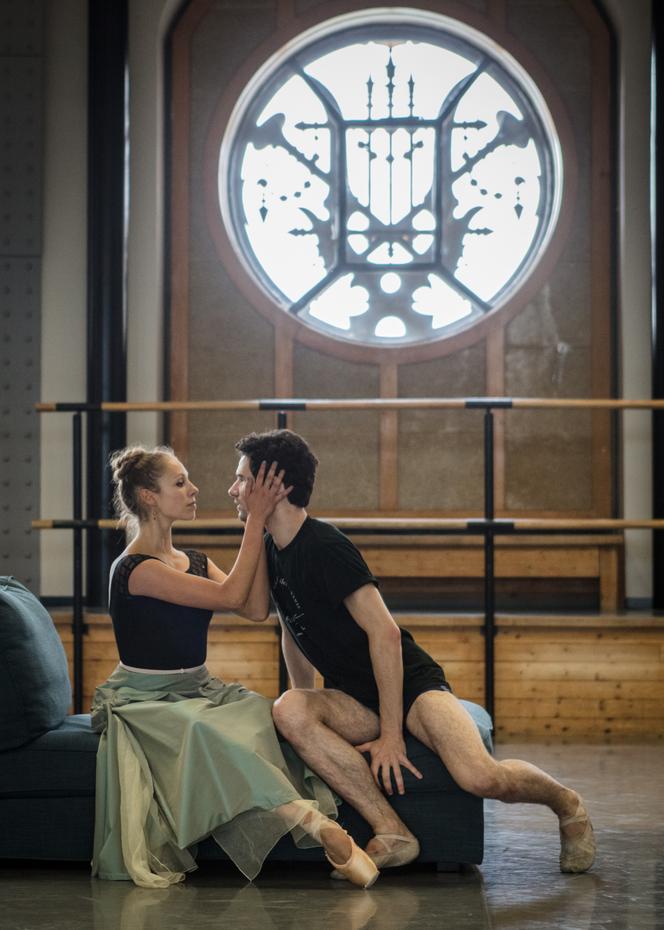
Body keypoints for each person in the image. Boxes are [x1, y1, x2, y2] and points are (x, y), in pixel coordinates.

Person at [228, 429, 596, 877]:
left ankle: (568, 805)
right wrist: (303, 710)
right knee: (289, 707)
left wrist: (391, 735)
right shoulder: (271, 547)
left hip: (414, 687)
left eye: (242, 479)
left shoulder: (326, 546)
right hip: (354, 696)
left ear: (275, 486)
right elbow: (287, 624)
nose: (232, 490)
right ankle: (394, 832)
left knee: (481, 777)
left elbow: (384, 635)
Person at [91, 444, 379, 889]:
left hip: (200, 690)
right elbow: (228, 598)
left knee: (267, 716)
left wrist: (261, 530)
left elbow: (256, 607)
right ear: (148, 496)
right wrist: (259, 520)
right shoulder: (134, 570)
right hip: (148, 701)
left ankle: (326, 819)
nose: (194, 490)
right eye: (180, 483)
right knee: (205, 734)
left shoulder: (195, 561)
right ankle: (317, 825)